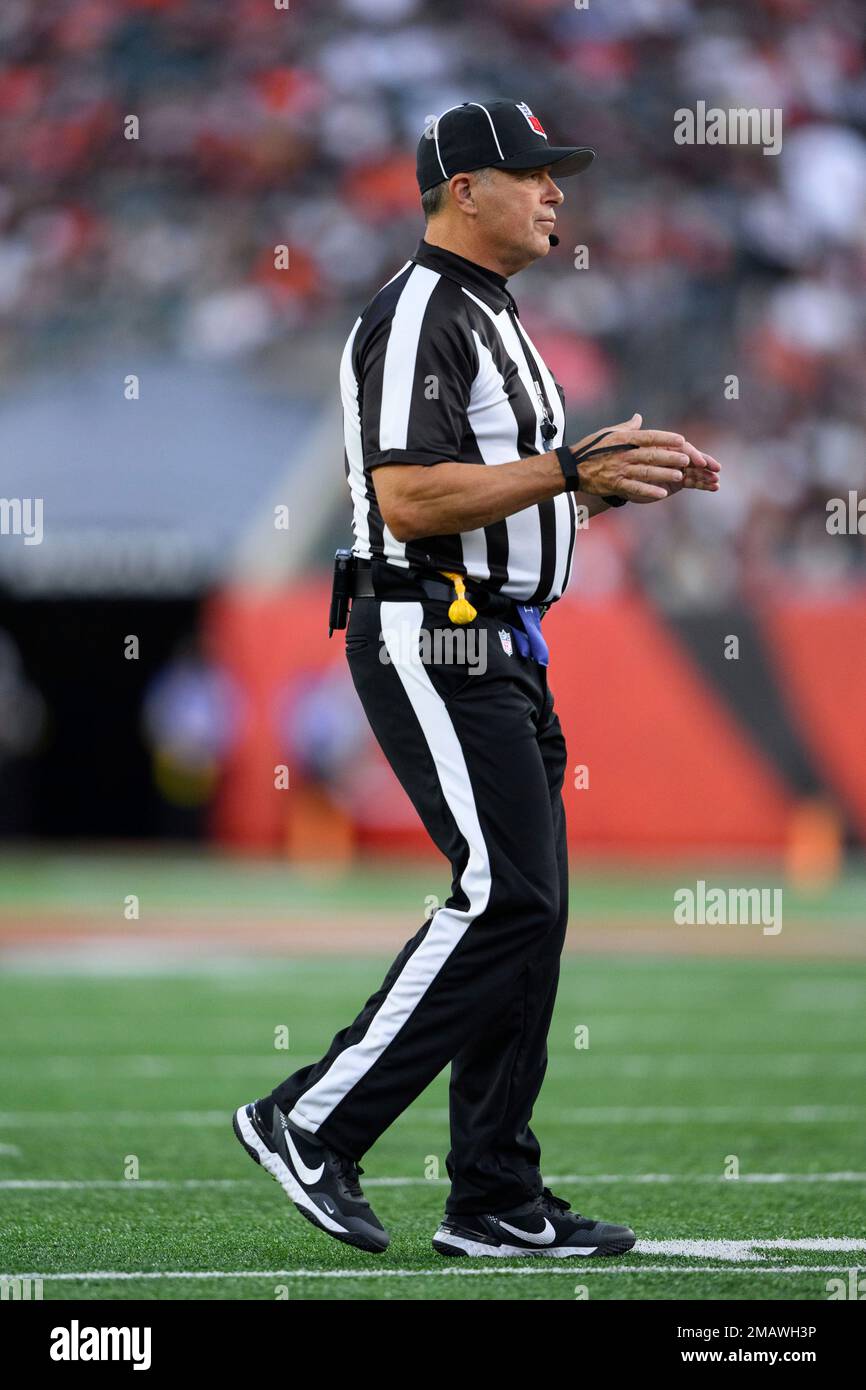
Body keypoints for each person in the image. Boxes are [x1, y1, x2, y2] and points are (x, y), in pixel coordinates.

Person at [234, 99, 720, 1258]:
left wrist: (603, 481)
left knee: (530, 915)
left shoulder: (491, 316)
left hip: (495, 635)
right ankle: (311, 1118)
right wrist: (568, 462)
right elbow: (407, 498)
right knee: (506, 894)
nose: (556, 192)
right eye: (532, 173)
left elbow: (502, 496)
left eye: (558, 175)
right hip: (432, 630)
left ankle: (493, 1193)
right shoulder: (417, 312)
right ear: (463, 189)